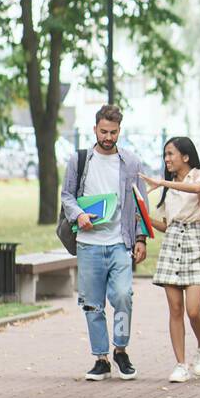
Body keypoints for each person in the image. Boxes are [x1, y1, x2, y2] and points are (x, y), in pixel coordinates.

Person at [59, 105, 149, 381]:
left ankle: (120, 350)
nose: (108, 137)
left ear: (120, 131)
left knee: (123, 296)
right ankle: (101, 358)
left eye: (113, 132)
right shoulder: (80, 160)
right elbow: (67, 196)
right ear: (95, 129)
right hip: (88, 243)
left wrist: (141, 238)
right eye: (103, 131)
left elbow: (139, 203)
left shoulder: (131, 162)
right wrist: (79, 215)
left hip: (119, 242)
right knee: (91, 303)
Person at [141, 137, 200, 384]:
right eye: (165, 155)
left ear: (185, 156)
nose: (167, 159)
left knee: (193, 311)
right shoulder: (168, 187)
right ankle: (181, 364)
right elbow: (166, 224)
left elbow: (198, 190)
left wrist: (162, 182)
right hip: (172, 243)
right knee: (175, 309)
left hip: (196, 243)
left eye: (170, 154)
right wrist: (145, 217)